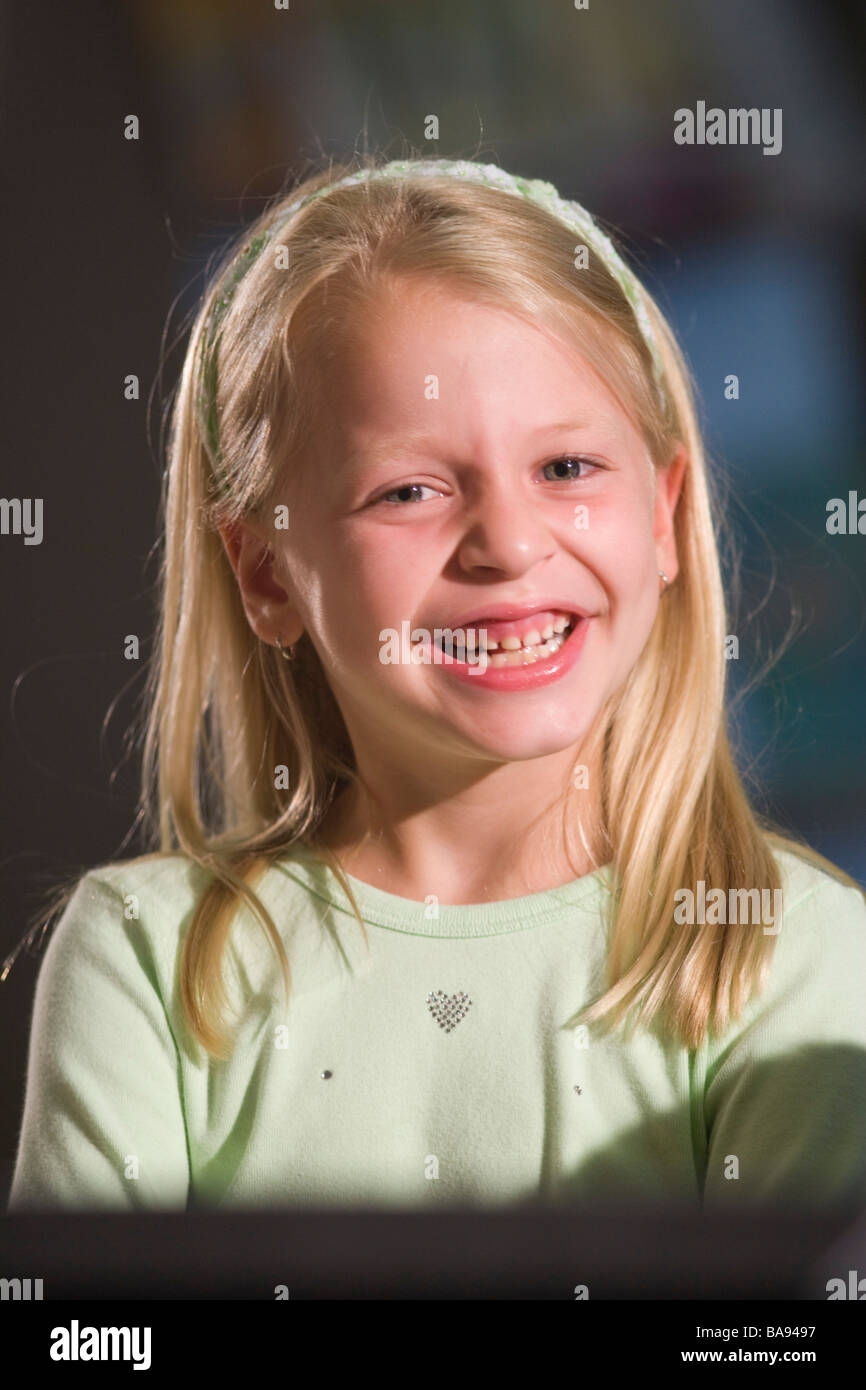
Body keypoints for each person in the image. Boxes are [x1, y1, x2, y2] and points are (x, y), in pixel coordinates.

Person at [7, 155, 866, 1214]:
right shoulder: (145, 958)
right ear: (268, 573)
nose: (506, 543)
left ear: (659, 515)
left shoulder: (791, 950)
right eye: (407, 489)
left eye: (564, 469)